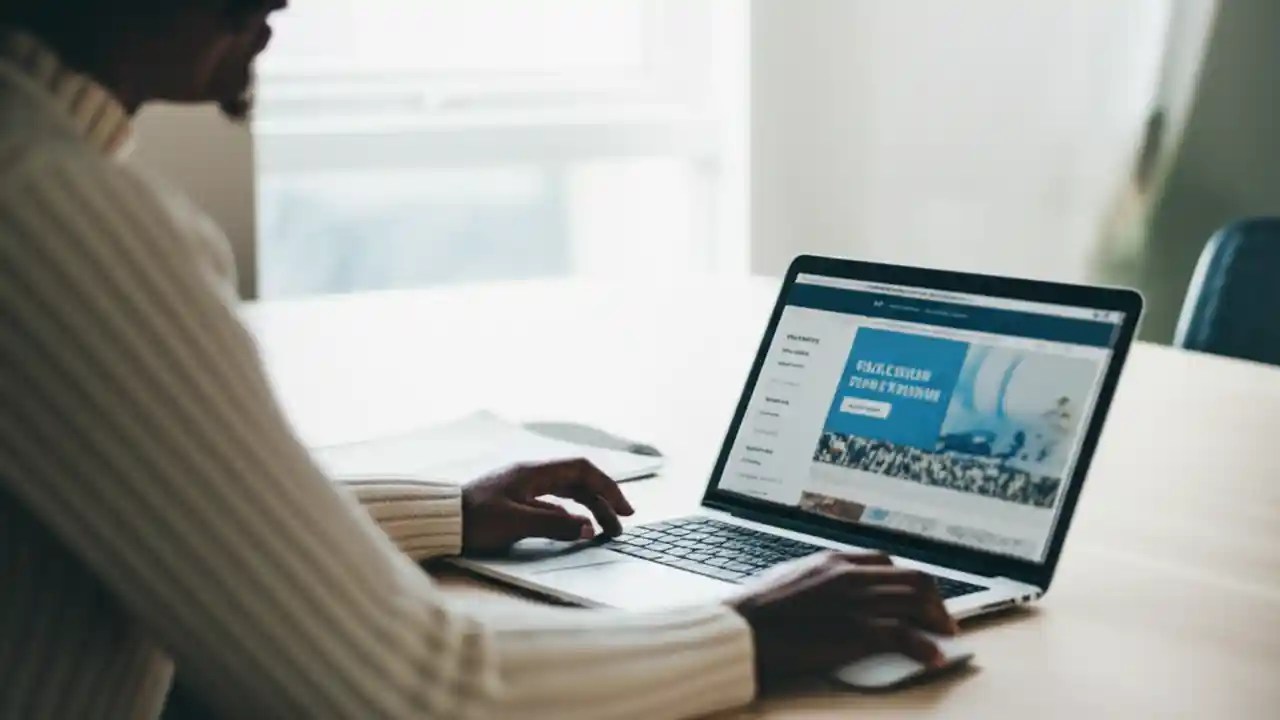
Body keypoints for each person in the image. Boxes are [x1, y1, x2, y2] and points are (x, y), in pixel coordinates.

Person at [0, 1, 957, 718]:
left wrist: (447, 512)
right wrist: (753, 631)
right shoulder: (48, 208)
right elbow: (409, 688)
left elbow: (169, 506)